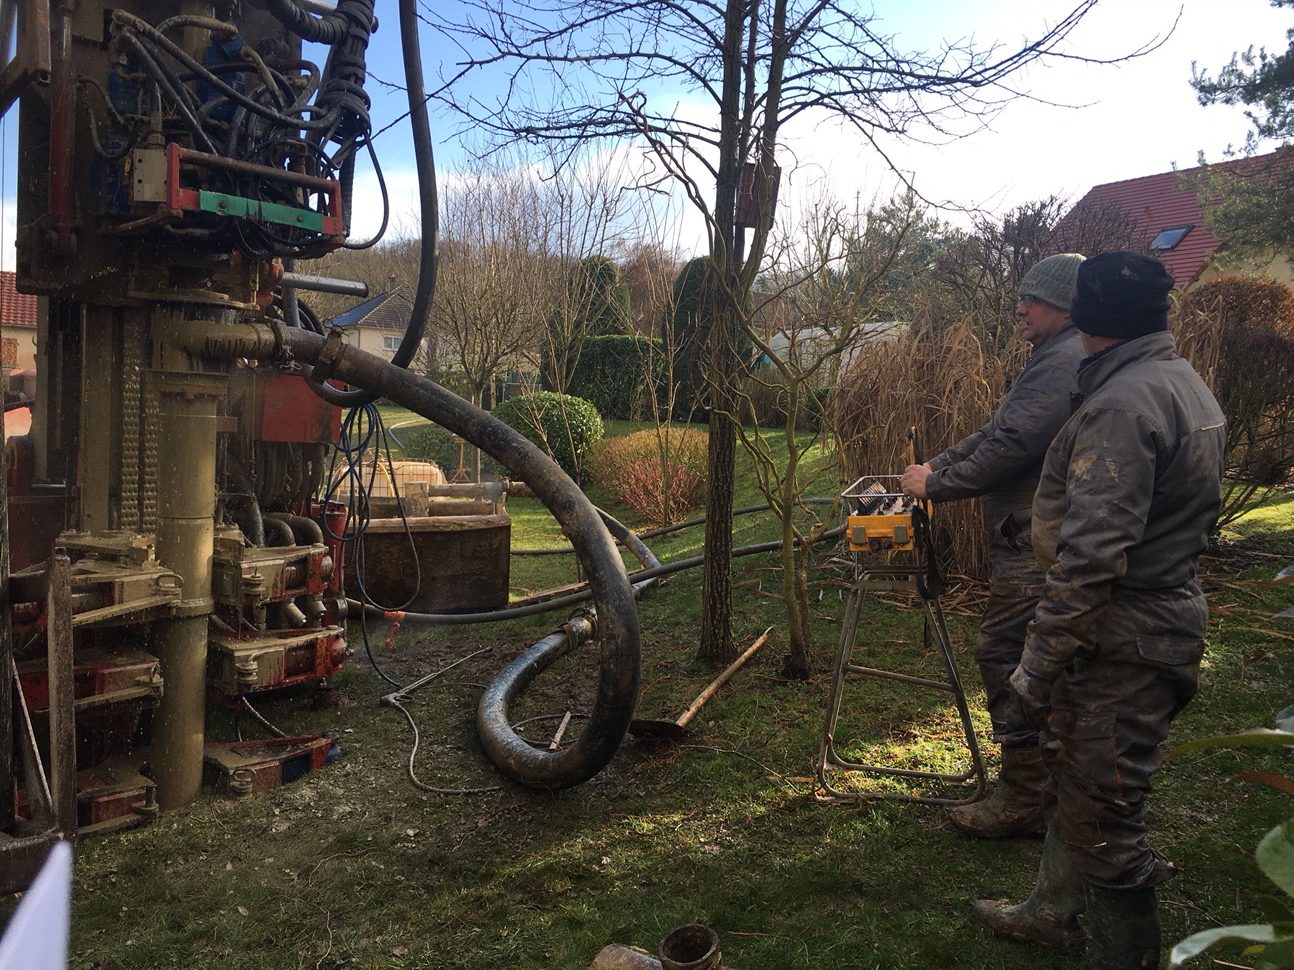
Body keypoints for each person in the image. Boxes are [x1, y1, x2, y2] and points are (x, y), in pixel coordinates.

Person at [973, 251, 1225, 968]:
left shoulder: (1123, 405)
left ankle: (1125, 954)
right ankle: (1052, 909)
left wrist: (1035, 668)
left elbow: (1089, 562)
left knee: (1105, 815)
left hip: (1126, 632)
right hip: (1153, 614)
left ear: (1087, 315)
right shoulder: (1177, 380)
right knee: (1082, 776)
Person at [900, 252, 1086, 838]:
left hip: (1035, 541)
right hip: (1027, 534)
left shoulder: (1063, 362)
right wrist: (940, 462)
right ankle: (1050, 789)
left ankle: (1025, 795)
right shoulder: (1052, 356)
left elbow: (1014, 443)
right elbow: (997, 429)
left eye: (1032, 298)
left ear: (1065, 305)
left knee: (1009, 657)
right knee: (1037, 662)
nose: (1020, 306)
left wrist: (938, 484)